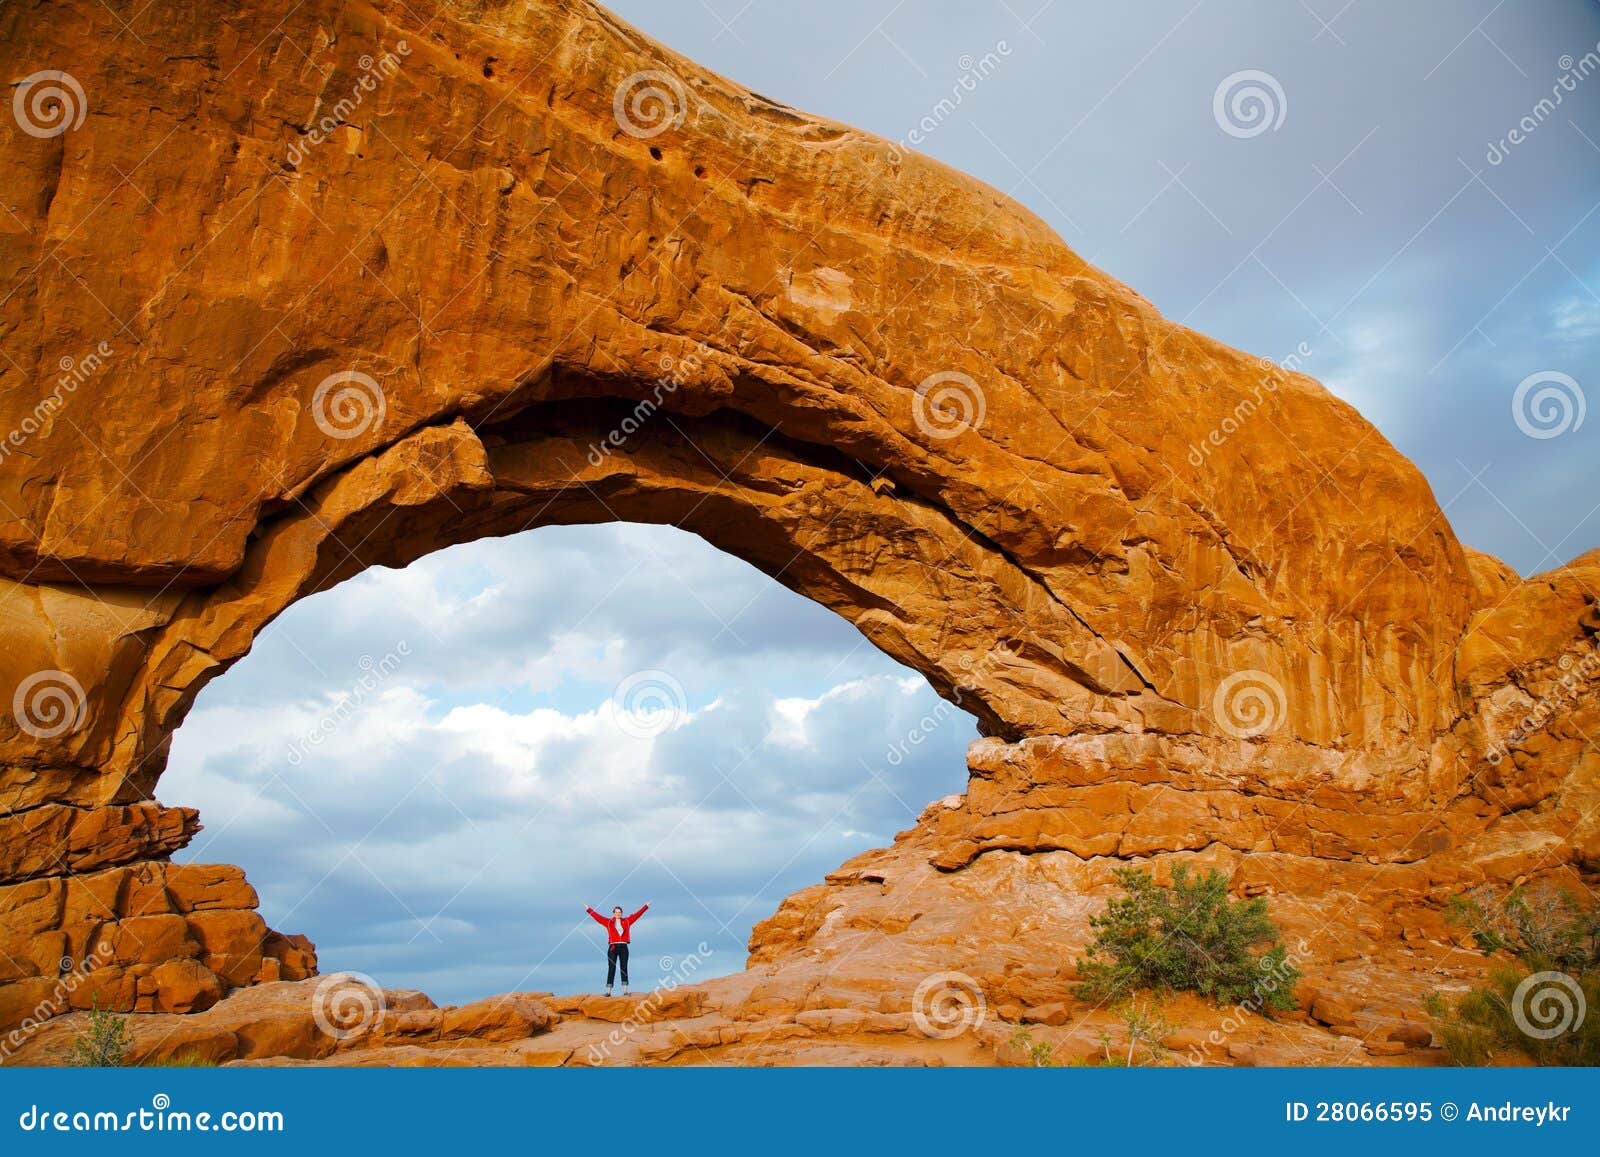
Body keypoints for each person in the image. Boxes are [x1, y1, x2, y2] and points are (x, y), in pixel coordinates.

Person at [585, 902, 649, 995]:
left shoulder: (627, 921)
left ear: (621, 913)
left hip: (623, 946)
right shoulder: (608, 922)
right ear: (613, 913)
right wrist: (588, 909)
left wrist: (646, 906)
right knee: (611, 968)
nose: (618, 914)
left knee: (624, 968)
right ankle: (608, 992)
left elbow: (637, 914)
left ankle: (625, 991)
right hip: (613, 947)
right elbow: (597, 917)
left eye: (619, 912)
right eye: (616, 912)